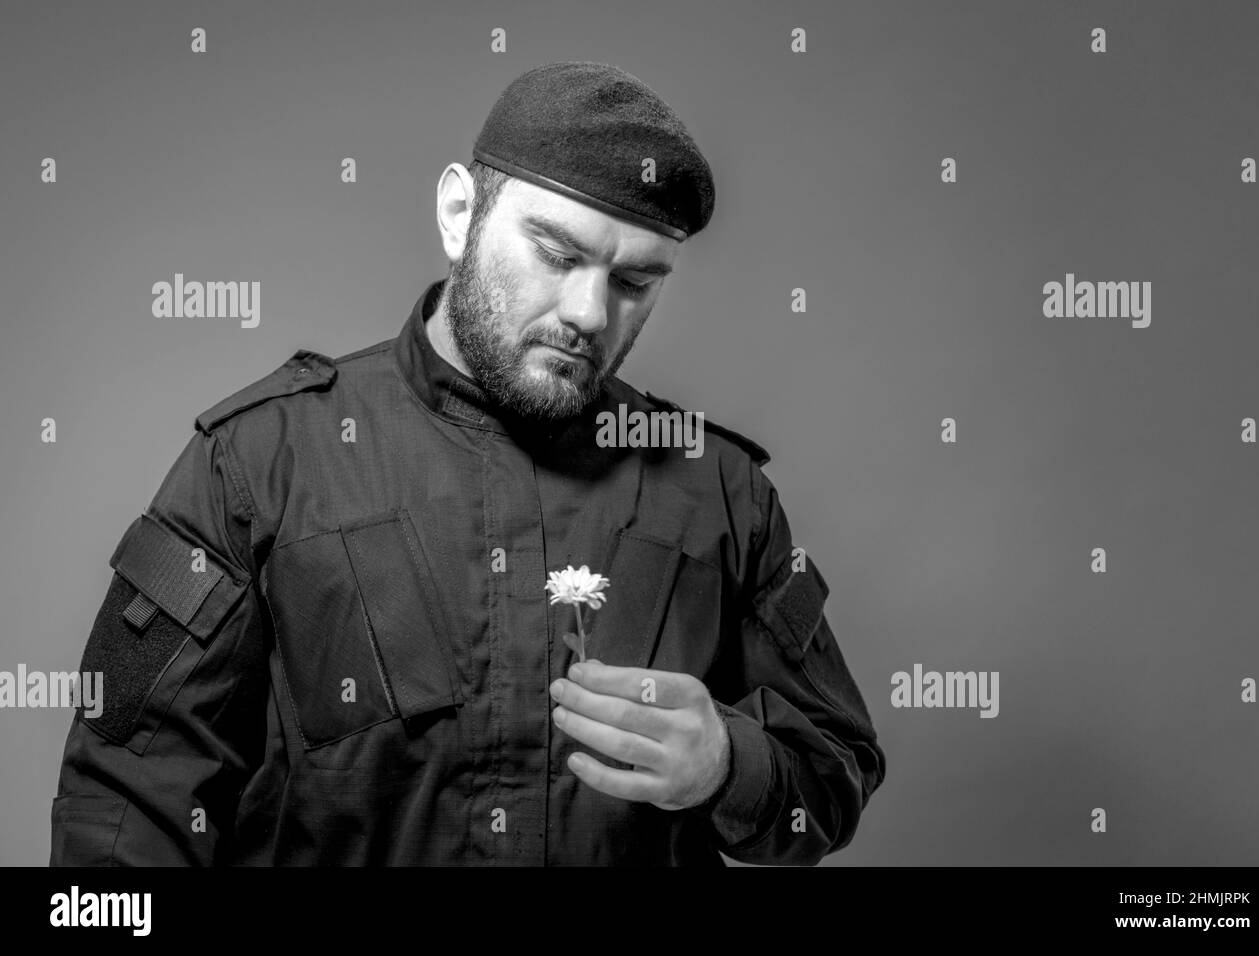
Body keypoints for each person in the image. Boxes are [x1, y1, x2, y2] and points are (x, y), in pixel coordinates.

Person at [49, 60, 885, 866]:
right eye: (557, 256)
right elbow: (124, 801)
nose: (589, 312)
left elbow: (835, 771)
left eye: (635, 281)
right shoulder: (257, 464)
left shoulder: (719, 489)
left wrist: (729, 767)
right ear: (459, 214)